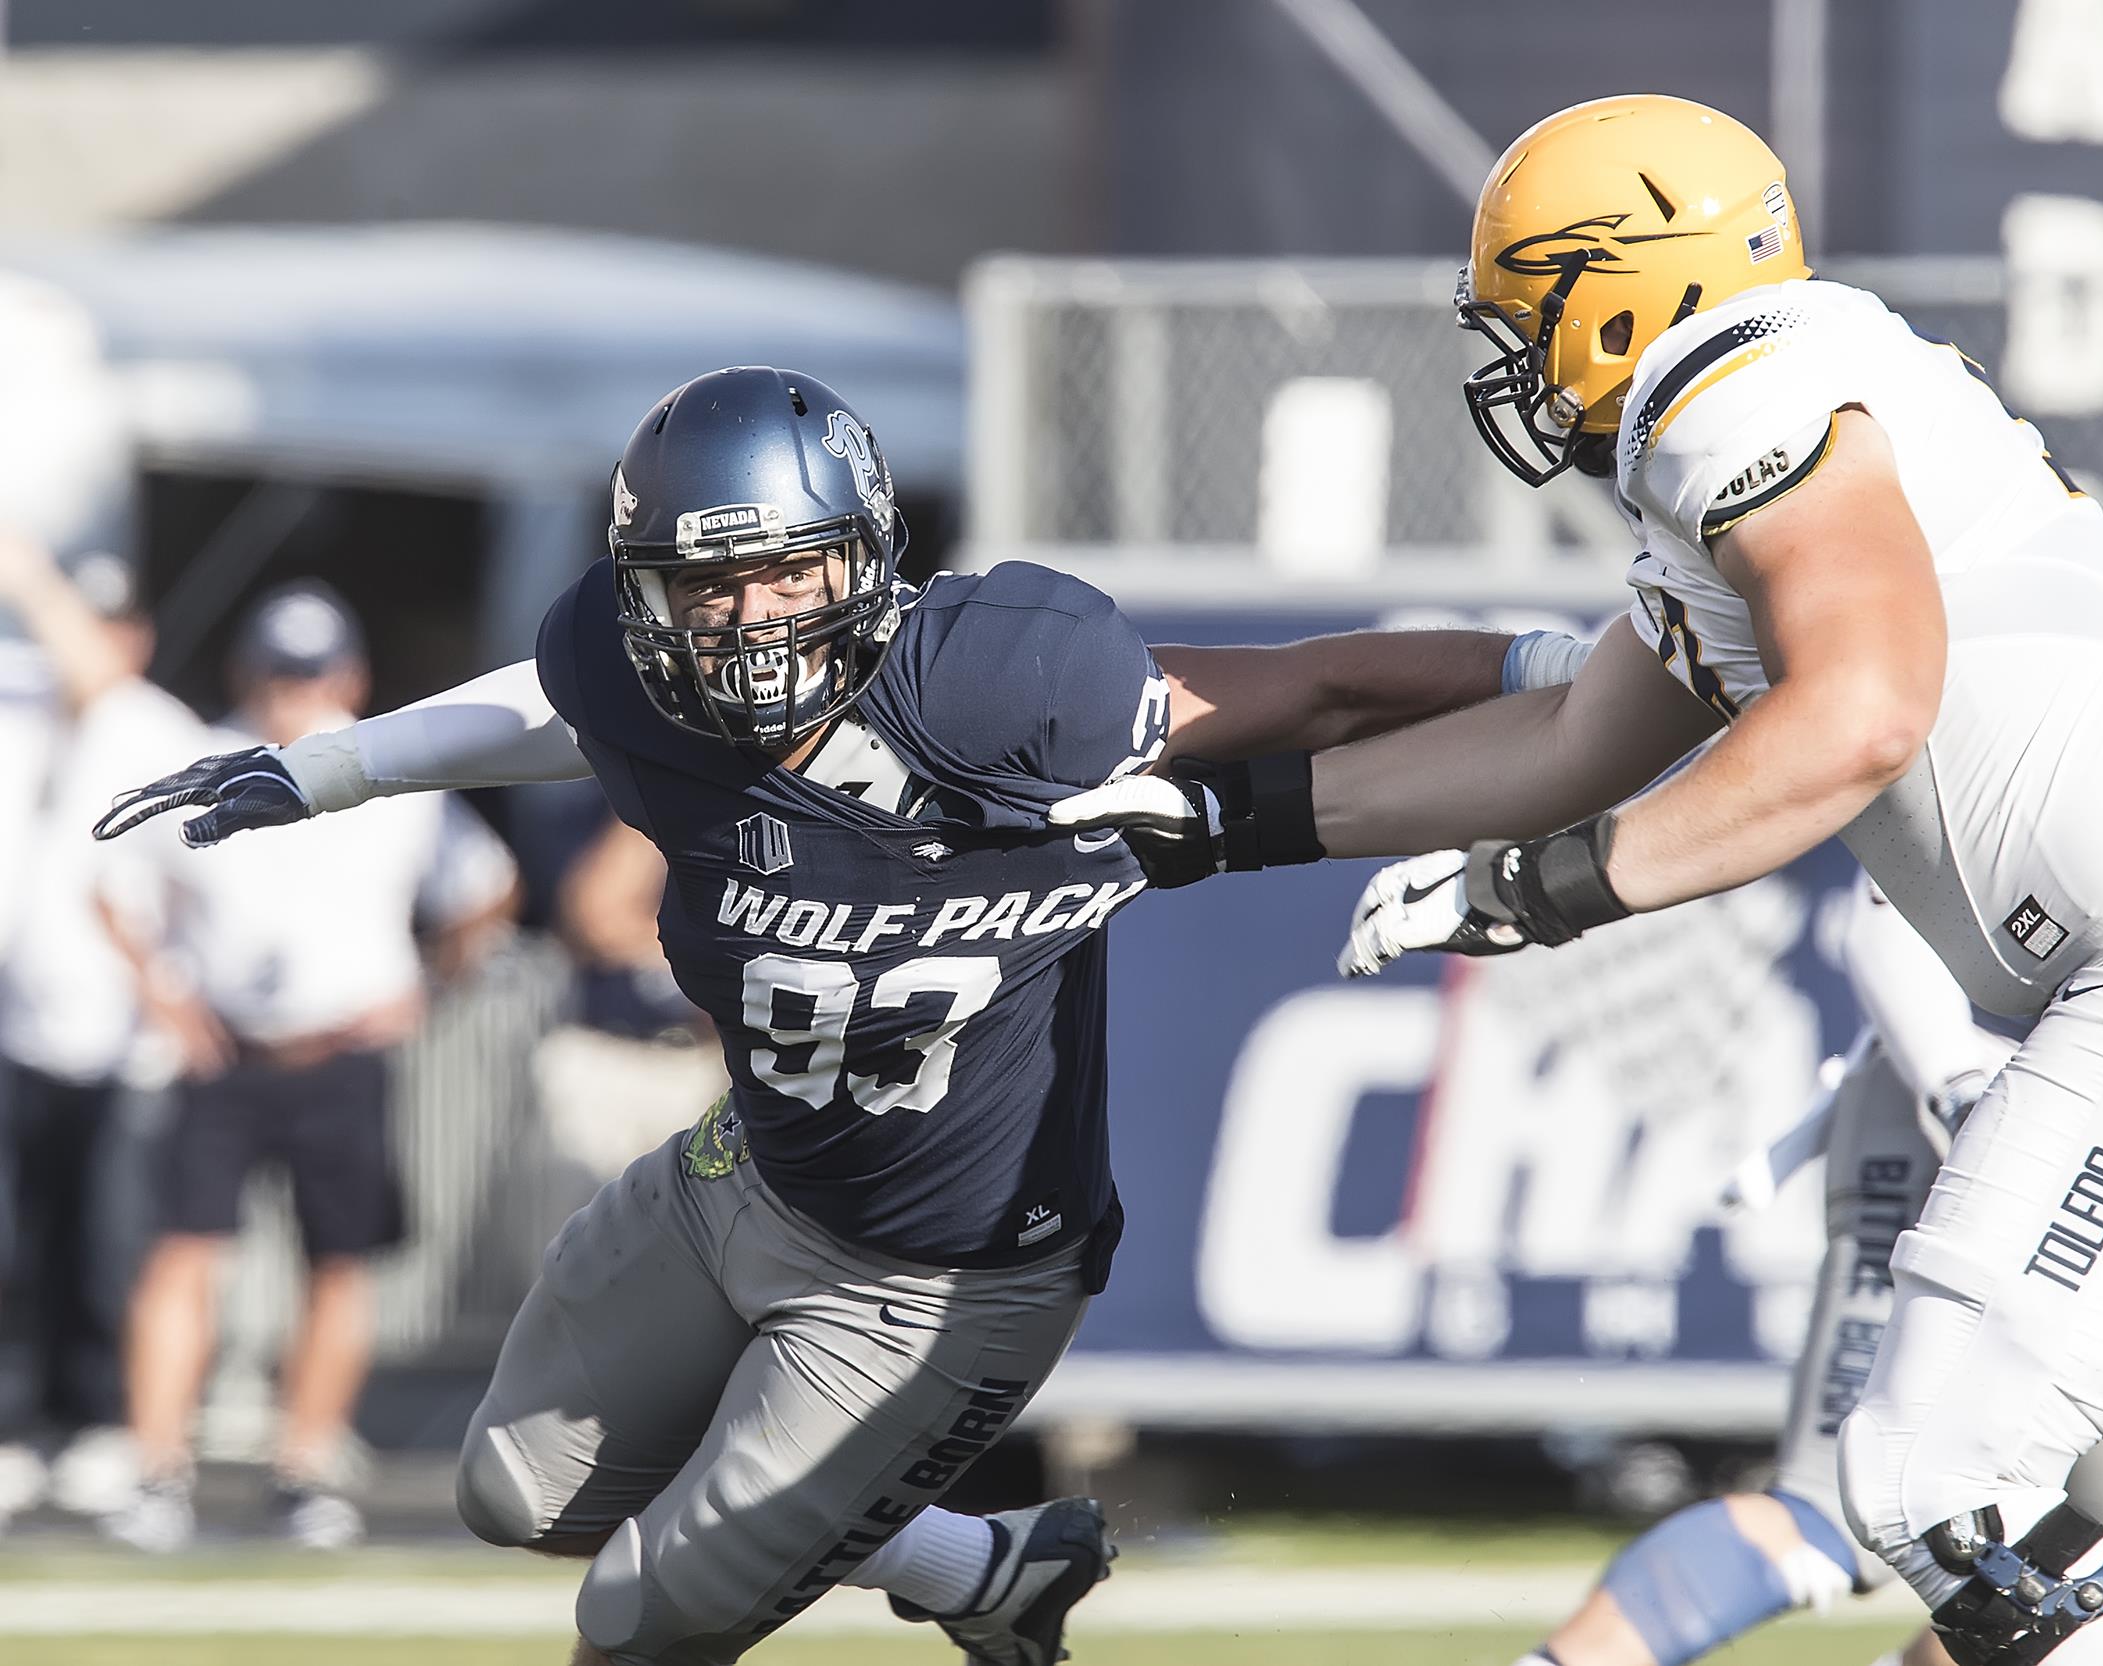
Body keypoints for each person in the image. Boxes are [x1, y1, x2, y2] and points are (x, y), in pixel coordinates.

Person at [1050, 98, 2103, 1664]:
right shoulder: (1798, 404)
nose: (1520, 360)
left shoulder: (1731, 384)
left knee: (1940, 1475)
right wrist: (1235, 823)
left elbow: (1861, 714)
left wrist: (1555, 888)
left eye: (1533, 312)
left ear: (1622, 283)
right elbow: (1565, 731)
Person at [94, 366, 1535, 1665]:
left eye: (785, 573)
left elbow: (1321, 694)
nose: (745, 620)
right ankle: (985, 1568)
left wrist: (1571, 674)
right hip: (744, 1181)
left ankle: (929, 1544)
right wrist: (338, 764)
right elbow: (560, 700)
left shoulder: (1006, 683)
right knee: (512, 1493)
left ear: (863, 557)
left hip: (945, 1277)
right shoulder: (633, 682)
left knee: (637, 1620)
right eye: (702, 589)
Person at [1477, 343, 2103, 1666]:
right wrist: (1969, 1093)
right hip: (1970, 1083)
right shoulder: (2064, 610)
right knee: (1847, 1504)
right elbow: (1898, 901)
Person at [97, 581, 519, 1552]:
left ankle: (305, 1463)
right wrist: (167, 997)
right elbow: (117, 890)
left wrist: (426, 982)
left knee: (338, 1260)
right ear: (248, 674)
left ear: (349, 676)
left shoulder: (394, 775)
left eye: (313, 675)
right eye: (280, 675)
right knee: (184, 1253)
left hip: (338, 1047)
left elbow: (485, 890)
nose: (294, 695)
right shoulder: (201, 761)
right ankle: (156, 1467)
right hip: (229, 1045)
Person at [0, 539, 203, 1531]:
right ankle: (29, 1423)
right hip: (22, 1022)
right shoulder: (24, 705)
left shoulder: (151, 726)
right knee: (25, 1233)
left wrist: (26, 570)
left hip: (126, 1033)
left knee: (109, 1238)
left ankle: (104, 1423)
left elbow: (92, 671)